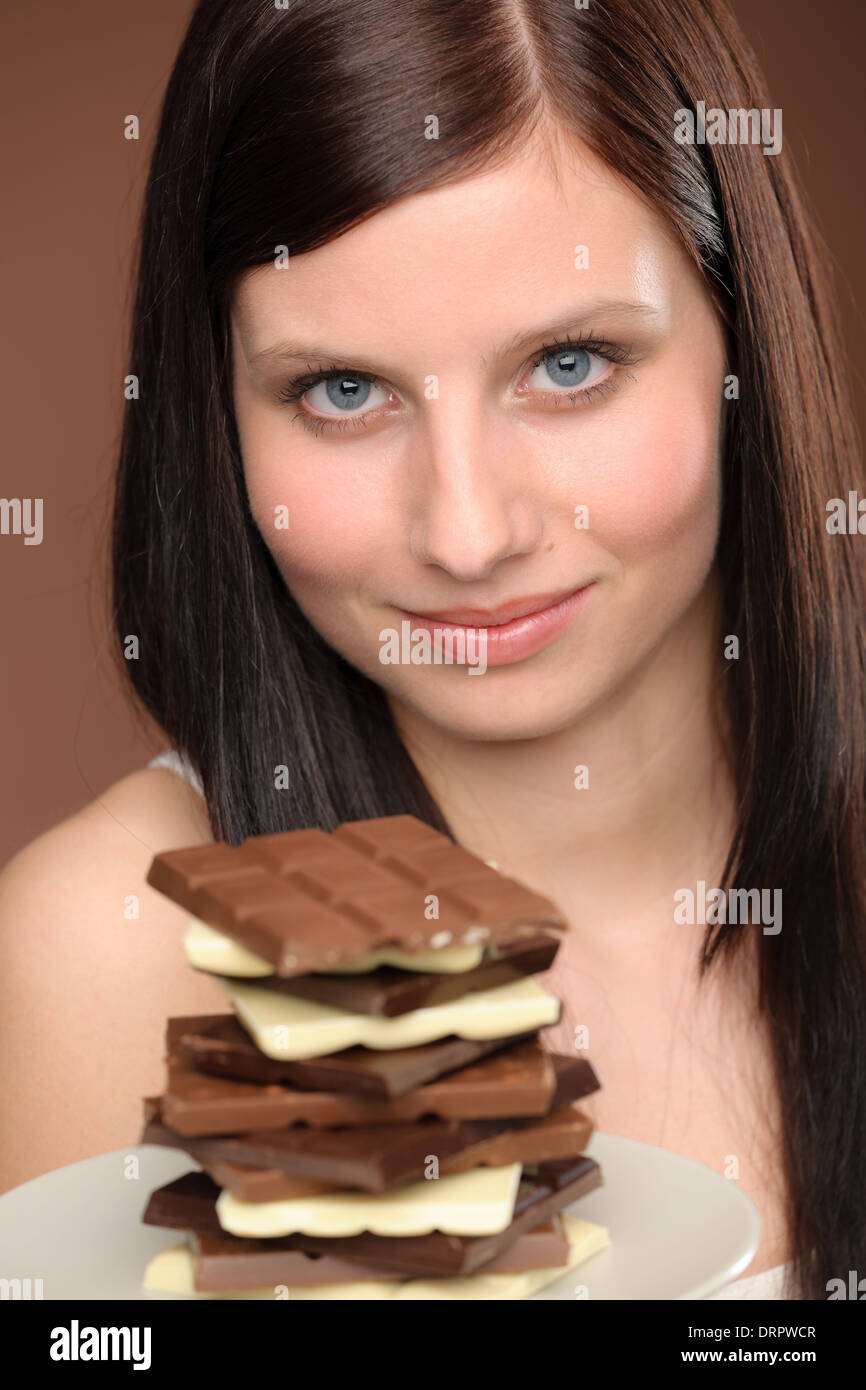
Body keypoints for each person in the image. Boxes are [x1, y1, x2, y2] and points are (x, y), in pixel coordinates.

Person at [1, 0, 864, 1302]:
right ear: (217, 408)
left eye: (569, 364)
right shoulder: (107, 950)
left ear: (744, 344)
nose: (464, 535)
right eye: (341, 392)